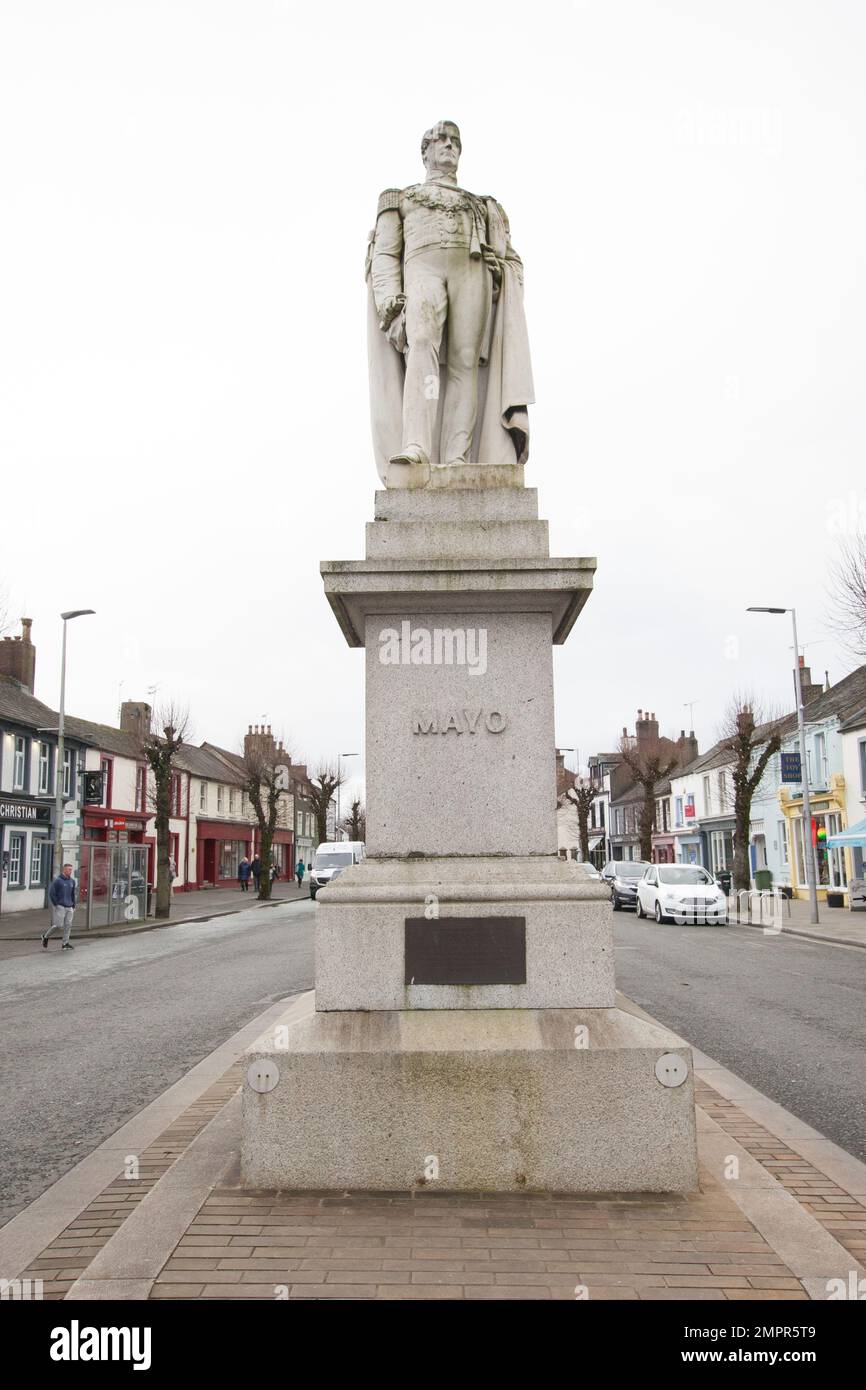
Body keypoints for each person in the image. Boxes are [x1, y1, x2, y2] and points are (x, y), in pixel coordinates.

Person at [367, 119, 533, 482]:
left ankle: (458, 457)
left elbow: (512, 261)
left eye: (454, 140)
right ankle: (417, 445)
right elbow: (384, 255)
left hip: (470, 273)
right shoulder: (401, 198)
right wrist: (388, 300)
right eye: (440, 139)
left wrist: (500, 271)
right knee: (422, 345)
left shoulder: (481, 205)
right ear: (425, 150)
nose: (449, 145)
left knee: (464, 364)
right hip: (422, 273)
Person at [43, 862, 77, 950]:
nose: (70, 871)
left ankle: (65, 943)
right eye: (69, 869)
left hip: (69, 906)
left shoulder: (72, 881)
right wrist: (56, 904)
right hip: (60, 906)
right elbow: (52, 893)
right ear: (64, 870)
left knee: (68, 925)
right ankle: (45, 936)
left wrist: (73, 905)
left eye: (71, 870)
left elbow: (73, 894)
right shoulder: (58, 881)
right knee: (58, 925)